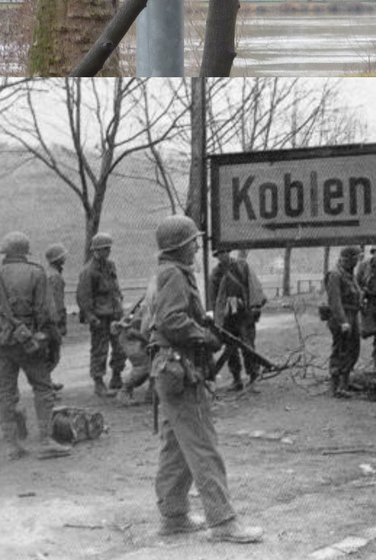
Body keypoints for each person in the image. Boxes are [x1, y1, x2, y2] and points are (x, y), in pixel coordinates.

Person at [144, 213, 263, 543]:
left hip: (169, 371)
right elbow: (171, 321)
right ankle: (223, 521)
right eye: (193, 243)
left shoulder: (164, 274)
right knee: (203, 445)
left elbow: (156, 323)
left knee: (176, 447)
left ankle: (174, 516)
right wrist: (204, 335)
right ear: (181, 246)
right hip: (180, 372)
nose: (197, 248)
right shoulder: (175, 276)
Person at [0, 231, 70, 459]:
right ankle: (46, 440)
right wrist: (47, 340)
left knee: (6, 393)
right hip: (29, 342)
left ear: (5, 252)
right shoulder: (37, 273)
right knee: (42, 388)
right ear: (25, 251)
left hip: (0, 343)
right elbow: (47, 313)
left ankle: (12, 445)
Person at [76, 231, 125, 398]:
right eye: (105, 248)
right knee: (99, 349)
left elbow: (115, 287)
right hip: (100, 317)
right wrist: (91, 317)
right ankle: (98, 382)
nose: (108, 251)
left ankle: (117, 377)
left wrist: (120, 305)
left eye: (109, 248)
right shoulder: (88, 271)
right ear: (96, 250)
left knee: (120, 346)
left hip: (114, 314)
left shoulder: (110, 266)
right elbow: (83, 297)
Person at [208, 248, 261, 392]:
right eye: (219, 254)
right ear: (217, 256)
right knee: (230, 349)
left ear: (228, 253)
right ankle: (236, 379)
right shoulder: (216, 274)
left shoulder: (241, 266)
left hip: (244, 314)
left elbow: (253, 287)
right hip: (228, 317)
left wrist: (252, 306)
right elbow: (213, 298)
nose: (222, 255)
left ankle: (254, 376)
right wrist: (215, 316)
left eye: (224, 252)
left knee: (248, 346)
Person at [324, 245, 363, 398]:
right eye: (355, 259)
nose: (357, 262)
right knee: (341, 349)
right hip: (341, 316)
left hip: (352, 314)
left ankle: (345, 383)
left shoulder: (349, 274)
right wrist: (343, 321)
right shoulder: (335, 274)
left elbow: (355, 291)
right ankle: (336, 386)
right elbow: (335, 301)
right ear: (348, 259)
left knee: (353, 349)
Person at [43, 244, 68, 387]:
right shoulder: (55, 277)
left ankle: (46, 382)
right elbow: (57, 302)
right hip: (53, 320)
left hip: (47, 320)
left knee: (49, 353)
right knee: (53, 354)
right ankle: (45, 384)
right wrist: (61, 323)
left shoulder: (48, 273)